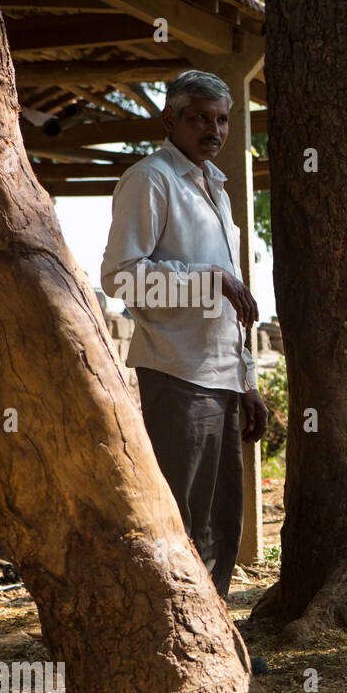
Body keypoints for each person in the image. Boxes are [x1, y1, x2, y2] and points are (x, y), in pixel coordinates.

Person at [101, 70, 268, 598]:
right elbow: (121, 277)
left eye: (222, 120)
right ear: (168, 118)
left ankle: (219, 643)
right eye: (199, 118)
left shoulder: (213, 187)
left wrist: (249, 381)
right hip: (176, 373)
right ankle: (182, 639)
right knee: (182, 522)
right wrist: (210, 279)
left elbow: (233, 307)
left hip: (222, 378)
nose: (213, 130)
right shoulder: (150, 179)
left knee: (223, 524)